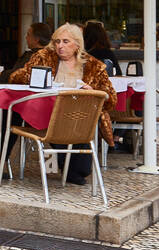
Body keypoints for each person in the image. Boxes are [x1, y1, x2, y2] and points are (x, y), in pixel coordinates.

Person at [9, 23, 116, 185]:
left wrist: (93, 91)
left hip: (80, 118)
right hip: (47, 114)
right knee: (58, 137)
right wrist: (34, 78)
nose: (60, 46)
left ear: (77, 44)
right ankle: (56, 166)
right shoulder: (45, 57)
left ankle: (66, 167)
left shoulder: (94, 66)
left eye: (65, 41)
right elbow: (17, 78)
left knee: (82, 167)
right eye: (57, 41)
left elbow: (111, 99)